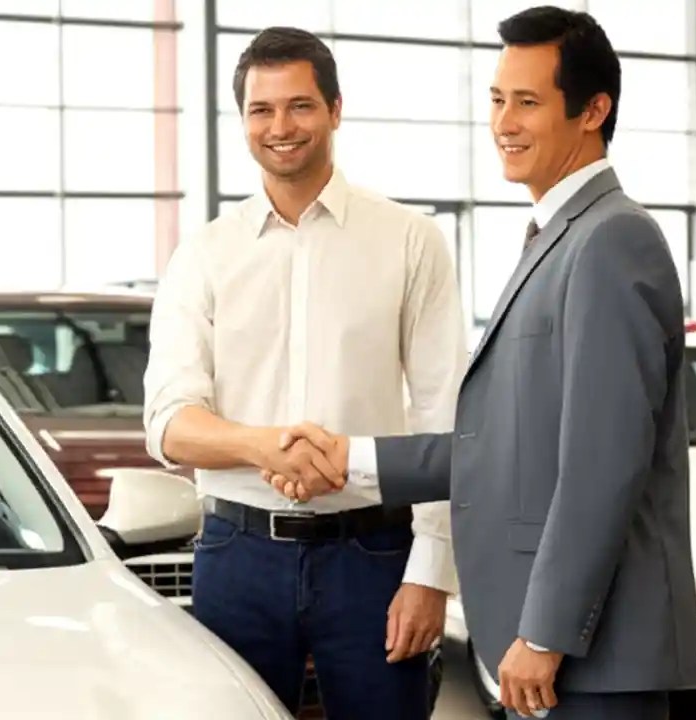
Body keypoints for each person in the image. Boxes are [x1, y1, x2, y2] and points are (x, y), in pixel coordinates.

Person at [269, 7, 696, 720]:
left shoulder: (612, 242)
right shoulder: (557, 239)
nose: (503, 122)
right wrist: (351, 459)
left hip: (587, 655)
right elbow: (503, 449)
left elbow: (603, 465)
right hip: (551, 654)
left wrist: (546, 632)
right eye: (498, 100)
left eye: (527, 102)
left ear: (594, 110)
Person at [141, 26, 467, 720]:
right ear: (243, 121)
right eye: (262, 110)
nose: (281, 127)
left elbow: (449, 420)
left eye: (300, 106)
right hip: (237, 555)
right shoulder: (204, 255)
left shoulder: (410, 240)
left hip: (375, 555)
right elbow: (169, 422)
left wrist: (431, 573)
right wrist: (266, 447)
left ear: (335, 110)